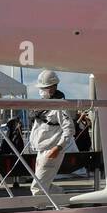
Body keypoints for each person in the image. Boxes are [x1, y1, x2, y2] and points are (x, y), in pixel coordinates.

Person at [29, 69, 74, 199]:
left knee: (37, 188)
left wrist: (58, 148)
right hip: (41, 150)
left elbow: (69, 129)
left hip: (51, 150)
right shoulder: (43, 106)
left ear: (53, 87)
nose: (42, 91)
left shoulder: (60, 106)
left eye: (45, 87)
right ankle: (65, 197)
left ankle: (40, 212)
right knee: (44, 185)